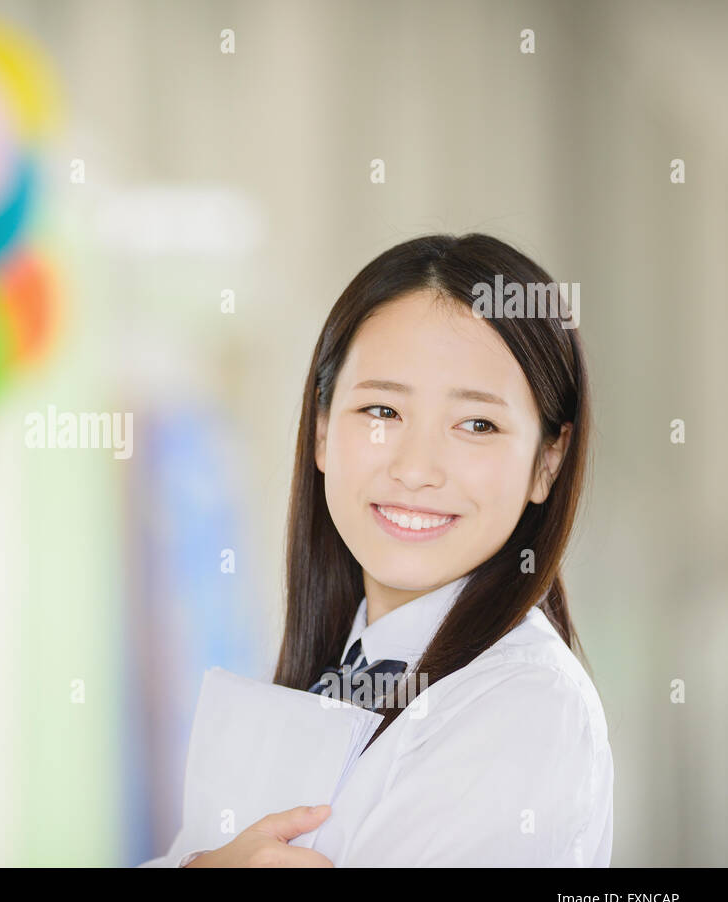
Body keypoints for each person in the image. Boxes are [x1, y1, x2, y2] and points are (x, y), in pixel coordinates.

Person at [164, 233, 612, 867]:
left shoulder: (526, 708)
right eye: (382, 410)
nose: (417, 469)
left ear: (548, 460)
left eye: (477, 424)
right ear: (322, 431)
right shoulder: (333, 673)